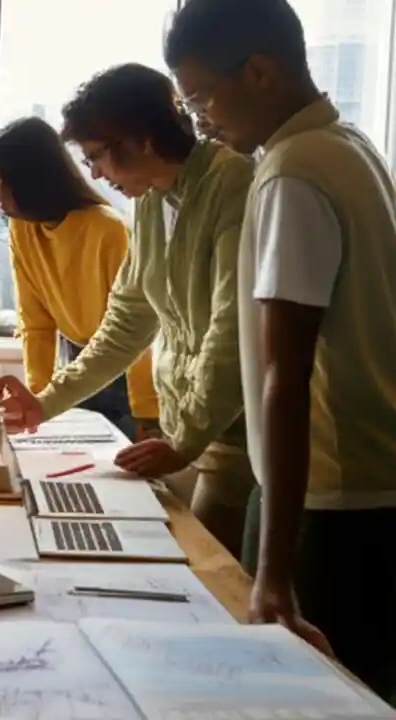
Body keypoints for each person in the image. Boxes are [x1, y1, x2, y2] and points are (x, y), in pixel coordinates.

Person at [168, 0, 396, 700]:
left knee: (303, 698)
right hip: (370, 485)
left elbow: (284, 375)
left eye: (202, 96)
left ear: (259, 72)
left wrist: (271, 574)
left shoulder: (292, 172)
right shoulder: (349, 145)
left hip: (325, 501)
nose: (201, 119)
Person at [0, 63, 254, 558]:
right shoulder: (156, 202)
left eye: (97, 156)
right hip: (199, 431)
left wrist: (183, 440)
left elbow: (232, 332)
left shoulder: (232, 187)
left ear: (141, 141)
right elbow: (124, 325)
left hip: (241, 436)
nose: (93, 173)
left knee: (219, 581)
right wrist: (45, 403)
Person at [0, 116, 159, 441]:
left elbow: (137, 334)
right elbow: (36, 324)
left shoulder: (107, 229)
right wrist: (36, 400)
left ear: (29, 179)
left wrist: (147, 416)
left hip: (124, 370)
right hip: (78, 365)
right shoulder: (23, 228)